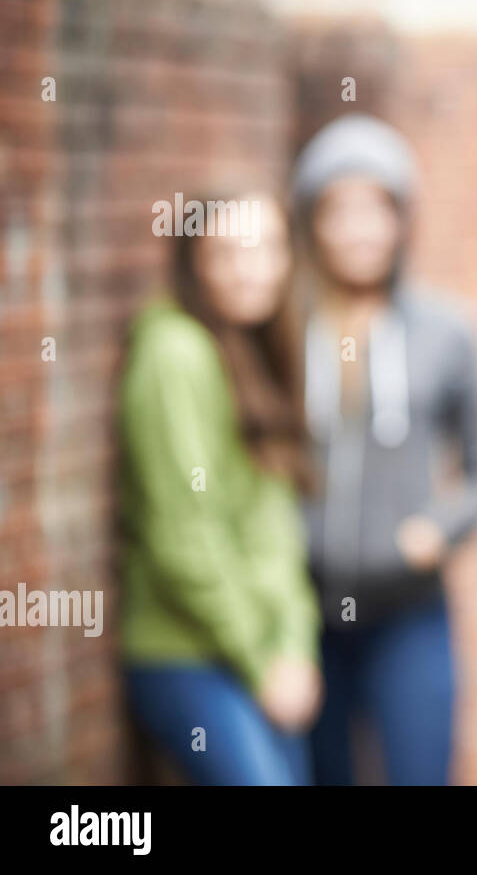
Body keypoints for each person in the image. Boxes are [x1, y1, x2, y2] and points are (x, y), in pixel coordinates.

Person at [291, 114, 477, 786]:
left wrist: (435, 529)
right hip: (301, 615)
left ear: (400, 220)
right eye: (338, 210)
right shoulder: (287, 330)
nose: (358, 229)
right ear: (313, 223)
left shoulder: (449, 331)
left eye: (375, 209)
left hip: (410, 612)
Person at [118, 188, 321, 785]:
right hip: (187, 651)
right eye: (227, 251)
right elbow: (184, 536)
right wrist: (264, 662)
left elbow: (277, 531)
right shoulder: (175, 353)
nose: (248, 268)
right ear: (194, 261)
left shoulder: (253, 348)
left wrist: (295, 648)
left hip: (263, 655)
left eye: (265, 249)